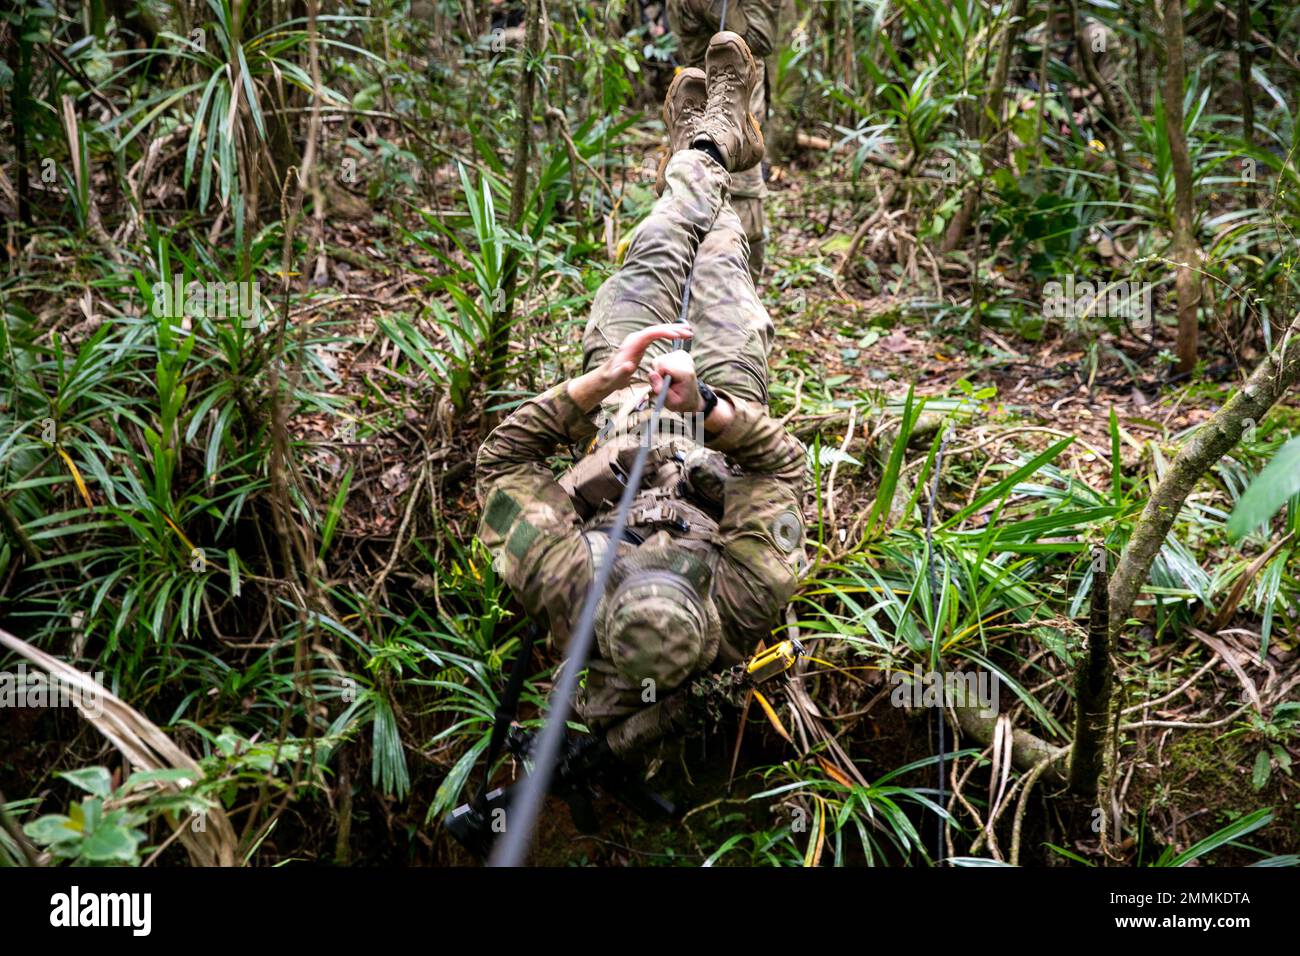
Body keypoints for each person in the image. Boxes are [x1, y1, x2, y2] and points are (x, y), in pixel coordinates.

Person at [476, 31, 807, 731]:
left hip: (624, 397)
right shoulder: (751, 593)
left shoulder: (560, 583)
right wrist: (712, 408)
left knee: (660, 240)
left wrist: (598, 383)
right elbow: (785, 465)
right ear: (706, 604)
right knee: (719, 251)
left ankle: (709, 139)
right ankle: (713, 140)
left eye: (633, 565)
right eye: (675, 564)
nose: (655, 548)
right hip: (723, 407)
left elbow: (499, 460)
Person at [665, 0, 783, 280]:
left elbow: (760, 39)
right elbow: (688, 35)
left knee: (744, 204)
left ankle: (745, 291)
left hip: (743, 108)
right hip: (698, 102)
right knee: (695, 198)